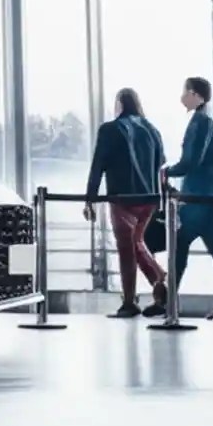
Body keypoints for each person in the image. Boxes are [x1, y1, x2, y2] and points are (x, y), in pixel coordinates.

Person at [159, 77, 213, 321]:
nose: (182, 97)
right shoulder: (208, 121)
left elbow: (190, 162)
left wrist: (167, 171)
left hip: (198, 195)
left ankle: (169, 303)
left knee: (180, 243)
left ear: (196, 95)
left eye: (184, 92)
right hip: (209, 194)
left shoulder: (201, 122)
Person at [83, 88, 167, 317]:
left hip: (122, 198)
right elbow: (162, 167)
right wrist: (161, 198)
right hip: (149, 199)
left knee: (126, 249)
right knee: (136, 242)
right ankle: (159, 281)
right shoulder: (153, 131)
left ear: (119, 103)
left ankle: (129, 301)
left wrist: (90, 198)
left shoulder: (110, 129)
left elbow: (98, 165)